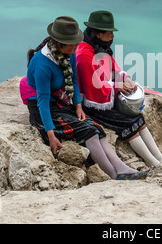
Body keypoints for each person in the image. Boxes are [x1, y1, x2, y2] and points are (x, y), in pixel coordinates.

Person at [20, 15, 148, 180]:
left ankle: (122, 169)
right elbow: (42, 102)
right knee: (88, 132)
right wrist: (51, 135)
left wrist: (78, 106)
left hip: (62, 102)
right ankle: (113, 174)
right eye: (73, 43)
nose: (76, 47)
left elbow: (73, 80)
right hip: (43, 108)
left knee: (96, 128)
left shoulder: (69, 52)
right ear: (60, 43)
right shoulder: (42, 64)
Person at [75, 10, 162, 167]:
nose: (112, 36)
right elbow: (93, 87)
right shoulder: (84, 55)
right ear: (98, 34)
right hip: (91, 105)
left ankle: (161, 158)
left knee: (139, 119)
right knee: (128, 124)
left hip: (105, 95)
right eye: (109, 33)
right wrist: (117, 86)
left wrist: (125, 78)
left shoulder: (98, 48)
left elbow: (113, 67)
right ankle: (153, 162)